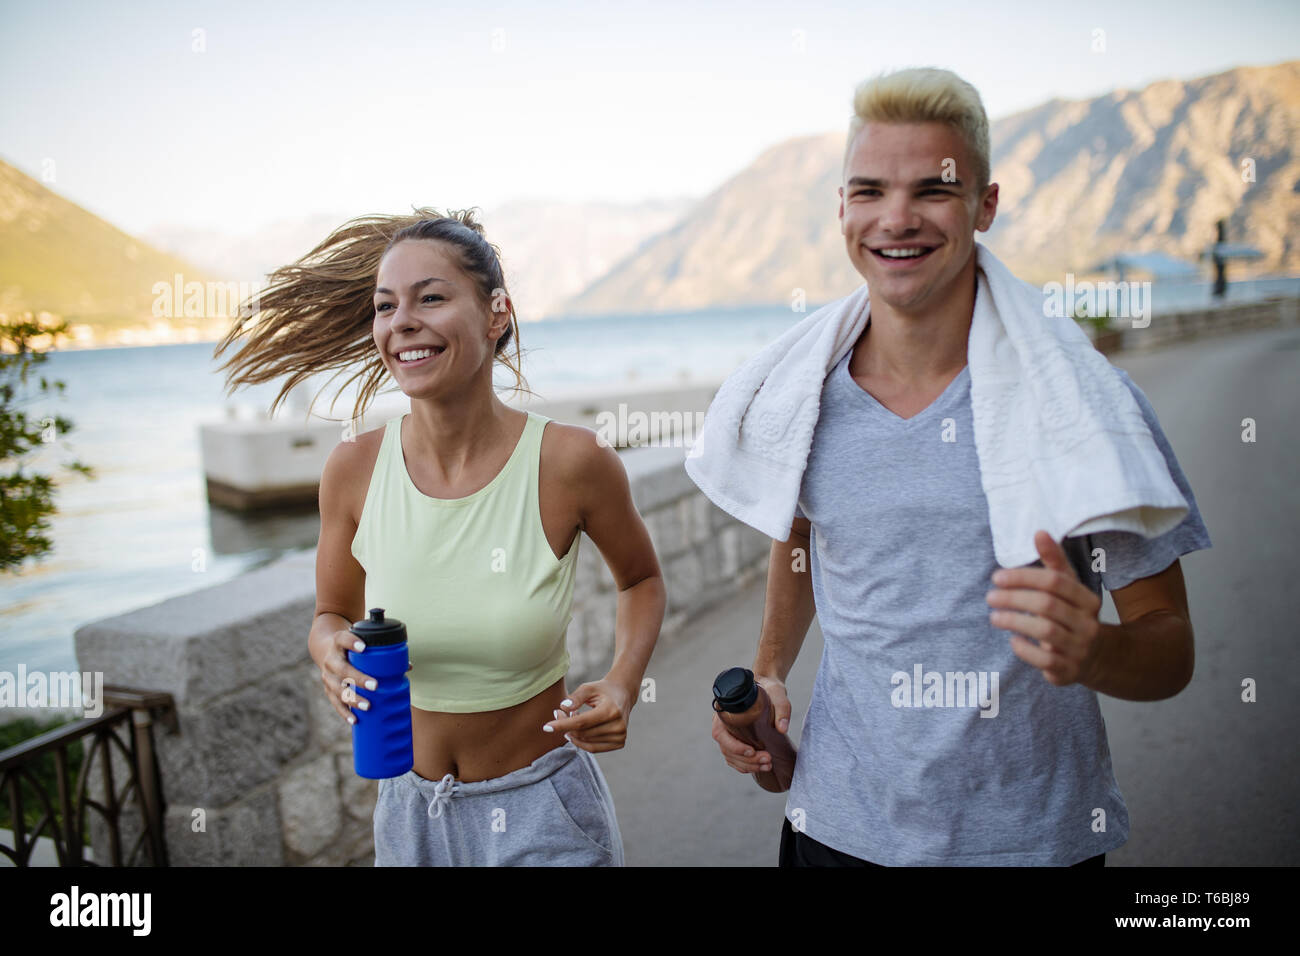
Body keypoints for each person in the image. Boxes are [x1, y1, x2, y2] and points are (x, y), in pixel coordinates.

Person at [707, 68, 1211, 866]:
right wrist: (769, 672)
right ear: (842, 208)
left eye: (933, 191)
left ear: (985, 205)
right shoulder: (799, 402)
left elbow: (1169, 647)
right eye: (869, 190)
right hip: (835, 829)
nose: (895, 219)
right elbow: (802, 536)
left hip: (1032, 842)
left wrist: (1096, 654)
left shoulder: (1081, 408)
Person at [215, 208, 665, 866]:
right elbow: (328, 615)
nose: (402, 322)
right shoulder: (352, 470)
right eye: (385, 306)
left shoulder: (571, 463)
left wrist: (624, 682)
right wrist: (328, 653)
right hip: (408, 818)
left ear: (496, 313)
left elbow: (642, 581)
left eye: (431, 297)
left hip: (544, 810)